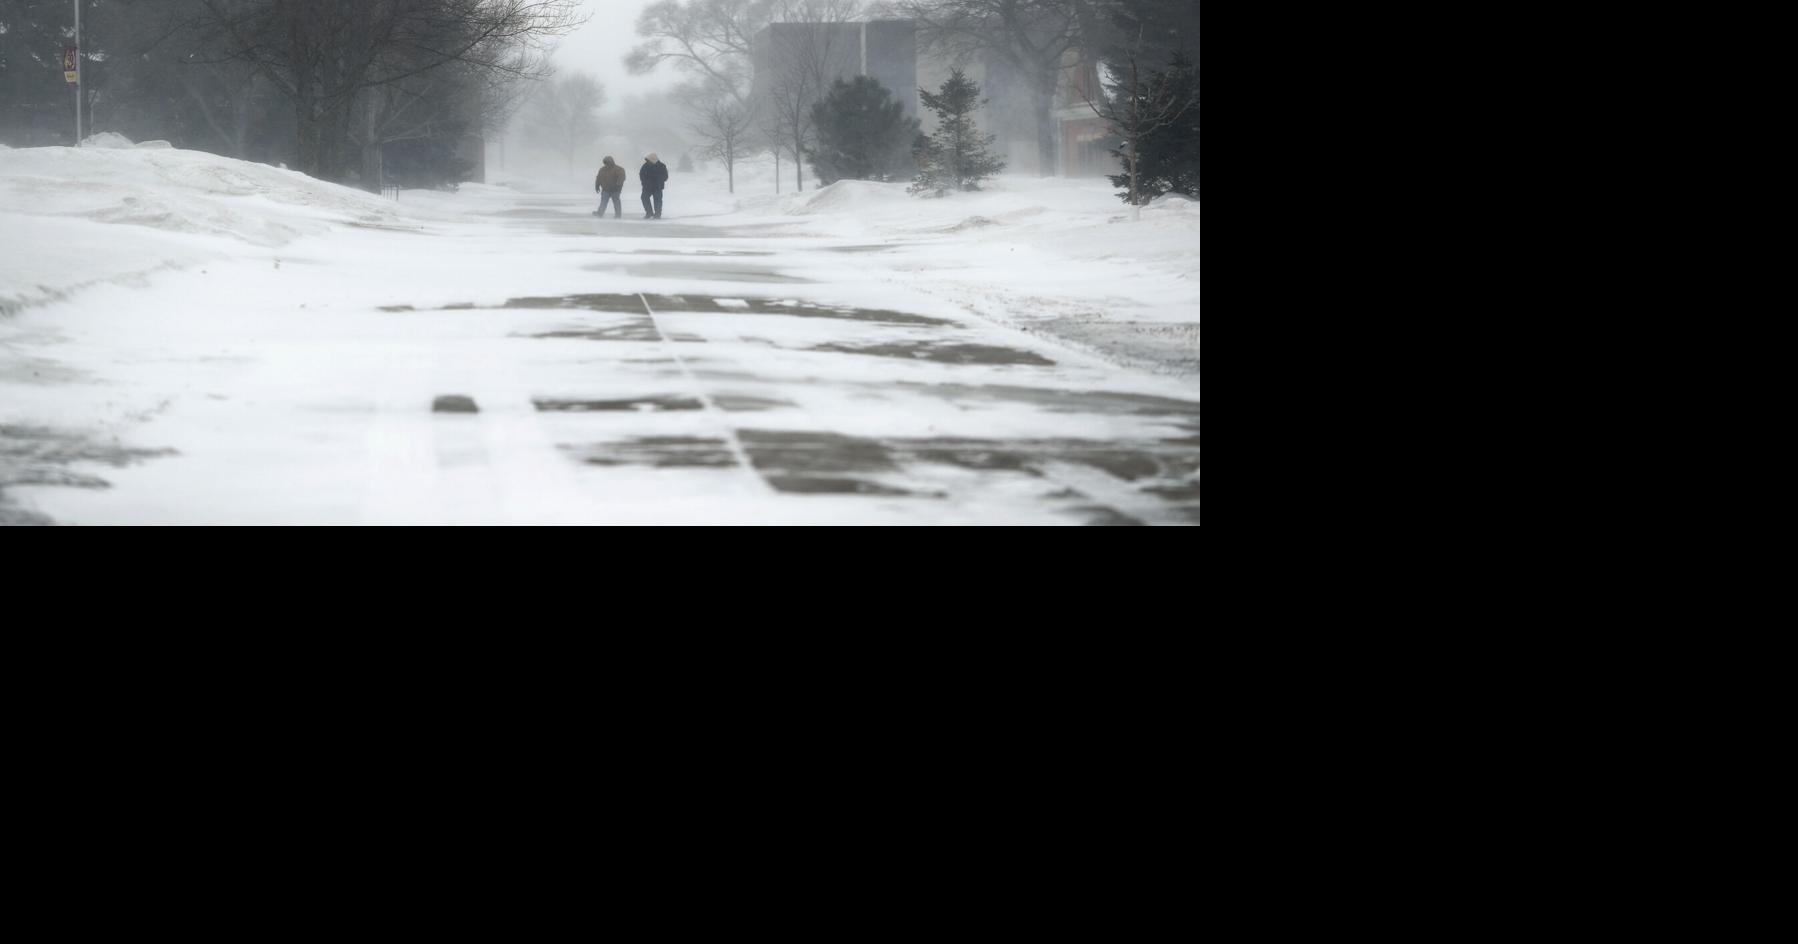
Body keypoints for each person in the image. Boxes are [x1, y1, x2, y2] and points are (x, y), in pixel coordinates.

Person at [640, 153, 669, 219]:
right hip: (647, 187)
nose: (648, 162)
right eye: (647, 160)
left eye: (649, 160)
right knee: (644, 198)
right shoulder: (645, 166)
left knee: (658, 200)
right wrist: (644, 182)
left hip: (657, 187)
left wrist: (656, 179)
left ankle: (657, 214)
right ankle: (649, 212)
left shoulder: (662, 166)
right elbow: (641, 174)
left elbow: (665, 177)